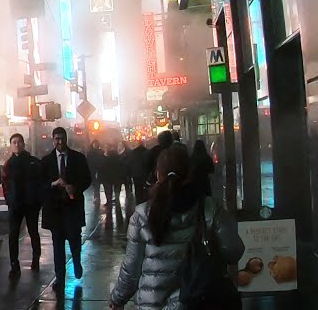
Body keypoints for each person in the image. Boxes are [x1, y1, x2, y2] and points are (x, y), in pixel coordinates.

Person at [108, 144, 244, 310]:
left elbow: (131, 269)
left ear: (158, 174)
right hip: (199, 300)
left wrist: (117, 299)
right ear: (188, 173)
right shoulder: (209, 207)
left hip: (153, 304)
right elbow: (234, 249)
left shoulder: (142, 215)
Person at [41, 126, 93, 288]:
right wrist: (52, 184)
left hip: (73, 207)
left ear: (66, 139)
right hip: (55, 209)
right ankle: (60, 277)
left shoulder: (78, 158)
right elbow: (40, 183)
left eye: (62, 139)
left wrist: (75, 187)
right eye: (57, 139)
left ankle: (77, 262)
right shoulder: (46, 161)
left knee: (74, 240)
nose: (60, 142)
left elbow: (87, 179)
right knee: (57, 246)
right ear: (53, 140)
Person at [3, 133, 43, 278]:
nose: (17, 144)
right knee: (13, 234)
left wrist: (37, 200)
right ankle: (14, 264)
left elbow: (40, 182)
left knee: (33, 232)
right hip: (15, 204)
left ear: (23, 144)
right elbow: (5, 183)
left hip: (31, 204)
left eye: (19, 142)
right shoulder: (8, 164)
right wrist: (9, 200)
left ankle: (36, 260)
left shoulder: (33, 162)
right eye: (14, 142)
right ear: (11, 145)